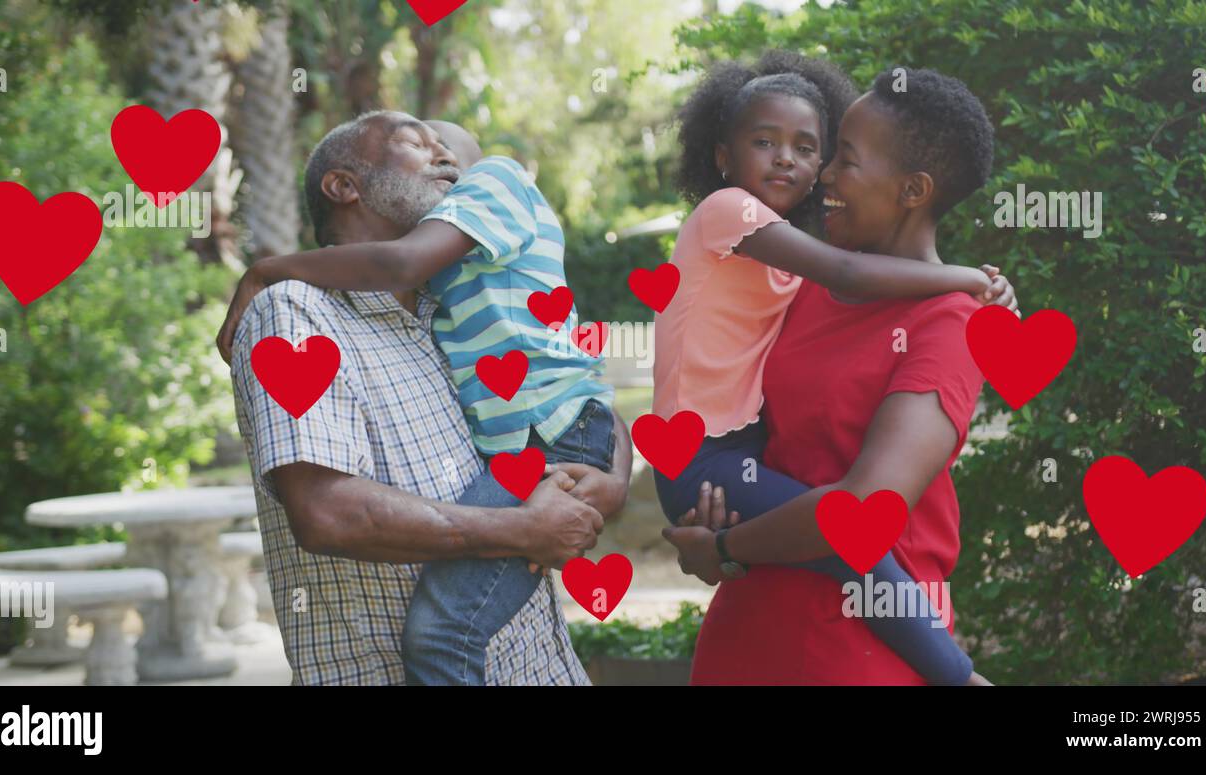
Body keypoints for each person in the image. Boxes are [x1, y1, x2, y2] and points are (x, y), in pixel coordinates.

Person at [220, 112, 627, 685]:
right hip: (386, 669)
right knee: (441, 634)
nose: (446, 158)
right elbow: (327, 514)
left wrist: (611, 478)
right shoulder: (295, 312)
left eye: (447, 147)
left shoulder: (449, 309)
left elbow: (576, 389)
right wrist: (522, 531)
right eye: (416, 142)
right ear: (344, 186)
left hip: (539, 670)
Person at [653, 52, 1013, 684]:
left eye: (840, 157)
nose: (819, 176)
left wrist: (726, 546)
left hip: (859, 655)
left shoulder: (953, 322)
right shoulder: (801, 286)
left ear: (912, 190)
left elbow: (862, 507)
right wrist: (713, 541)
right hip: (747, 639)